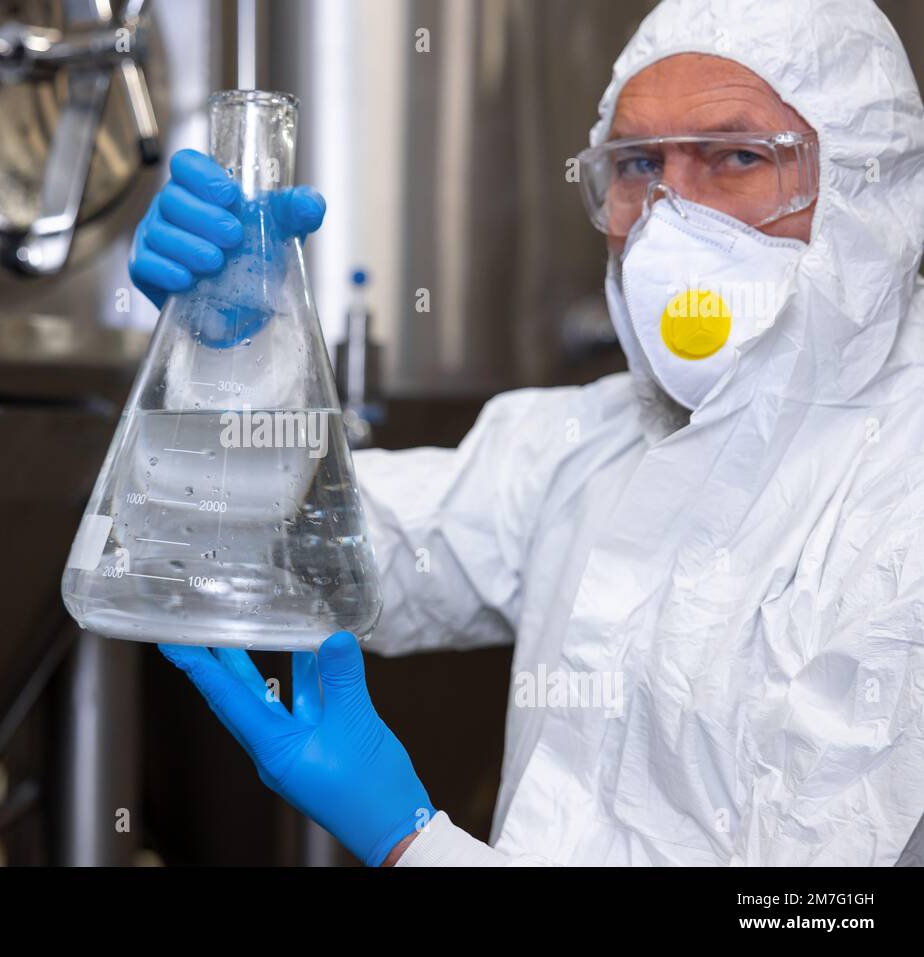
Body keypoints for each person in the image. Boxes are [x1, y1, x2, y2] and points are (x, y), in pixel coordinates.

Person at [129, 0, 924, 866]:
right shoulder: (587, 441)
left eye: (737, 157)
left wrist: (412, 845)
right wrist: (231, 351)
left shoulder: (901, 501)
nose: (669, 219)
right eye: (637, 166)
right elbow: (290, 538)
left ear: (866, 189)